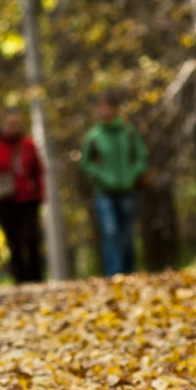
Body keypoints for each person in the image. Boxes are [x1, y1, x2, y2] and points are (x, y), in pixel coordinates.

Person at [80, 89, 149, 276]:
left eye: (107, 107)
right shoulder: (93, 136)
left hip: (127, 188)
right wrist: (100, 174)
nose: (104, 111)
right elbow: (85, 163)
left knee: (126, 232)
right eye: (100, 107)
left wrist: (133, 174)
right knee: (110, 231)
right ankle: (114, 273)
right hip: (103, 190)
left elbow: (141, 157)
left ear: (115, 109)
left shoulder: (128, 132)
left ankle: (129, 272)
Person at [0, 109, 45, 284]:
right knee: (13, 241)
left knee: (30, 238)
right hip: (4, 201)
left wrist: (40, 193)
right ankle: (20, 279)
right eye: (10, 124)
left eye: (16, 124)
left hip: (28, 199)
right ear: (3, 125)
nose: (13, 127)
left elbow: (38, 171)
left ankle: (36, 278)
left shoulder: (28, 145)